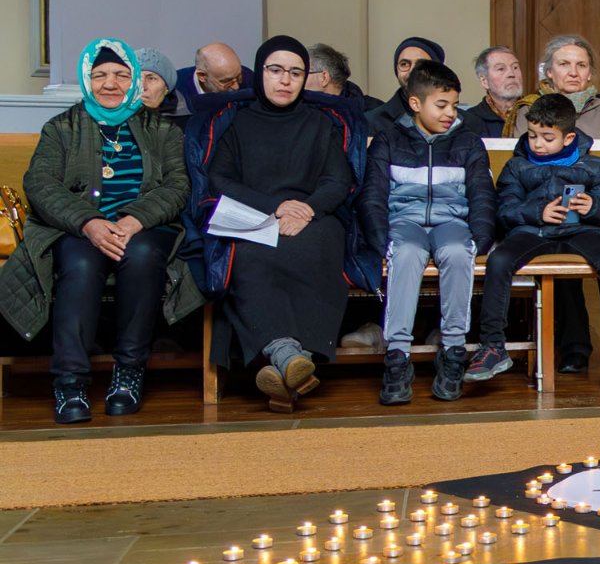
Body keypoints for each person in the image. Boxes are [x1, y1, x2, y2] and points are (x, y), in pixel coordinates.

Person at [0, 38, 198, 422]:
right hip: (75, 228)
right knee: (82, 265)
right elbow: (40, 184)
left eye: (122, 75)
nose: (111, 83)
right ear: (86, 80)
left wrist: (134, 220)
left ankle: (128, 373)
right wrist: (89, 223)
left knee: (141, 255)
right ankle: (70, 382)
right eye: (100, 75)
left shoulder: (163, 131)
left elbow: (178, 186)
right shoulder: (61, 128)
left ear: (135, 80)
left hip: (144, 228)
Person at [182, 35, 366, 412]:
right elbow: (221, 178)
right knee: (247, 258)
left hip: (315, 217)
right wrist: (277, 206)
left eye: (296, 73)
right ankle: (291, 360)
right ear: (260, 73)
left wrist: (308, 209)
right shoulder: (236, 120)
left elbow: (338, 180)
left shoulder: (320, 122)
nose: (285, 80)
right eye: (276, 70)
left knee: (313, 248)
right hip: (255, 215)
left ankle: (282, 367)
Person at [466, 92, 600, 383]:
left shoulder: (597, 167)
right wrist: (538, 211)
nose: (537, 143)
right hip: (531, 232)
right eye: (533, 135)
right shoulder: (517, 166)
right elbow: (503, 211)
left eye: (547, 138)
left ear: (569, 137)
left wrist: (593, 207)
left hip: (583, 231)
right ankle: (492, 346)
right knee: (499, 261)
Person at [361, 59, 496, 406]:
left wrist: (479, 237)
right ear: (415, 103)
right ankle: (398, 357)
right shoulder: (389, 141)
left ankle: (452, 352)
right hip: (404, 223)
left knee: (456, 252)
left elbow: (482, 193)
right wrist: (380, 237)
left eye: (454, 104)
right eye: (441, 105)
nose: (451, 112)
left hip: (451, 222)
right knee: (405, 254)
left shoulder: (467, 143)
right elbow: (373, 194)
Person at [515, 34, 600, 372]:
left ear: (591, 73)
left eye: (581, 65)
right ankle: (569, 347)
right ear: (548, 71)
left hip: (591, 208)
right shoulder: (528, 109)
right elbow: (515, 163)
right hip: (542, 211)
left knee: (591, 249)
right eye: (564, 64)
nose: (573, 72)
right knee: (557, 249)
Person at [370, 37, 445, 132]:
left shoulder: (462, 122)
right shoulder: (372, 122)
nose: (412, 72)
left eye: (421, 64)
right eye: (404, 64)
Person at [462, 46, 526, 140]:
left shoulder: (535, 111)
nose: (511, 74)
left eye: (515, 67)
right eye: (501, 69)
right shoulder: (470, 119)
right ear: (484, 81)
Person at [174, 42, 248, 111]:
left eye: (239, 77)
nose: (236, 87)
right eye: (227, 81)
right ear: (202, 76)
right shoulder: (175, 91)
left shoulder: (249, 78)